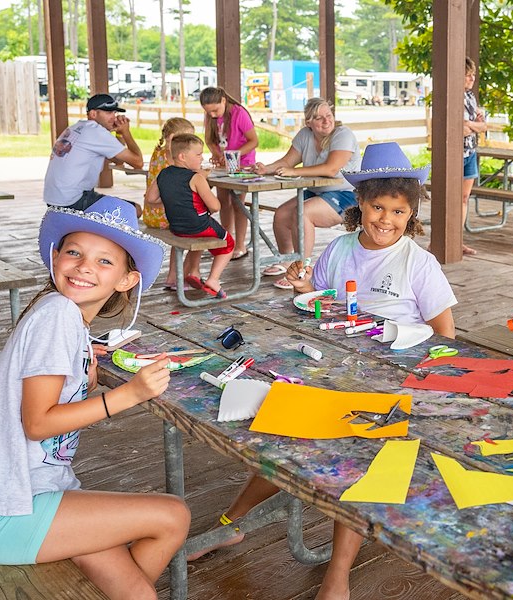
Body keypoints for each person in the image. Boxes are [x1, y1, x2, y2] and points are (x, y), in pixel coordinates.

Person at [191, 142, 457, 600]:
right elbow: (322, 305)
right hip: (333, 369)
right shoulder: (340, 249)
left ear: (411, 214)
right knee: (285, 433)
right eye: (377, 206)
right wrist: (305, 287)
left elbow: (445, 336)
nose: (386, 220)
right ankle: (230, 523)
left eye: (398, 211)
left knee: (352, 460)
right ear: (359, 204)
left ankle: (337, 571)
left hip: (391, 383)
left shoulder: (418, 262)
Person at [0, 196, 191, 599]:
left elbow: (52, 396)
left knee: (138, 592)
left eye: (104, 261)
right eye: (75, 252)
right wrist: (130, 394)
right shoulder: (59, 315)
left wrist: (86, 372)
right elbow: (39, 424)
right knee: (173, 515)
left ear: (125, 280)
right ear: (55, 256)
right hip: (5, 513)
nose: (83, 267)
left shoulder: (69, 320)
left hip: (35, 495)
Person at [253, 97, 362, 290]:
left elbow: (331, 169)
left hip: (348, 194)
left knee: (303, 214)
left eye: (329, 115)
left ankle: (300, 270)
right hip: (318, 191)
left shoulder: (343, 133)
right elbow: (287, 162)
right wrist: (266, 168)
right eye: (319, 118)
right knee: (282, 214)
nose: (326, 121)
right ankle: (287, 261)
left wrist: (295, 172)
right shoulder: (305, 135)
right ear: (308, 122)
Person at [148, 133, 234, 299]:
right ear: (182, 157)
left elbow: (151, 200)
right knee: (229, 243)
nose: (202, 158)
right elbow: (216, 206)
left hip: (177, 228)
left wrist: (173, 203)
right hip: (199, 225)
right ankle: (214, 280)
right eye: (198, 154)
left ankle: (193, 272)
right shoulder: (196, 178)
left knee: (200, 240)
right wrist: (203, 184)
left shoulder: (163, 174)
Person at [44, 94, 143, 212]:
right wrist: (126, 132)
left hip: (54, 199)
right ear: (93, 114)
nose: (114, 117)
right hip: (73, 200)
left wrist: (119, 133)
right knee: (134, 210)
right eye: (108, 113)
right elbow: (138, 162)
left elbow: (118, 160)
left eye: (114, 113)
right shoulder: (96, 131)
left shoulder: (77, 127)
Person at [142, 117, 202, 290]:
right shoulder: (174, 160)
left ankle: (174, 276)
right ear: (174, 137)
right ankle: (188, 274)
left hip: (151, 214)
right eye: (188, 138)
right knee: (203, 229)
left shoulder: (157, 153)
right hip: (165, 214)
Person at [200, 87, 259, 260]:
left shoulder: (239, 114)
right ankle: (227, 241)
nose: (211, 115)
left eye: (215, 110)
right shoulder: (211, 116)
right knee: (223, 202)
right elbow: (210, 140)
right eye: (208, 112)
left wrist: (234, 155)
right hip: (224, 166)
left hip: (243, 166)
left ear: (224, 101)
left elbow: (253, 141)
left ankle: (240, 245)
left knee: (238, 205)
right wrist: (217, 155)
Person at [461, 56, 488, 256]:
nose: (471, 79)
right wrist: (473, 126)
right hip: (455, 154)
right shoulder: (453, 97)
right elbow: (460, 129)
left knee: (463, 198)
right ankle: (442, 238)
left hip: (470, 151)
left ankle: (458, 238)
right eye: (467, 75)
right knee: (449, 198)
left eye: (473, 76)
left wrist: (472, 125)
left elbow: (483, 126)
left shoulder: (470, 97)